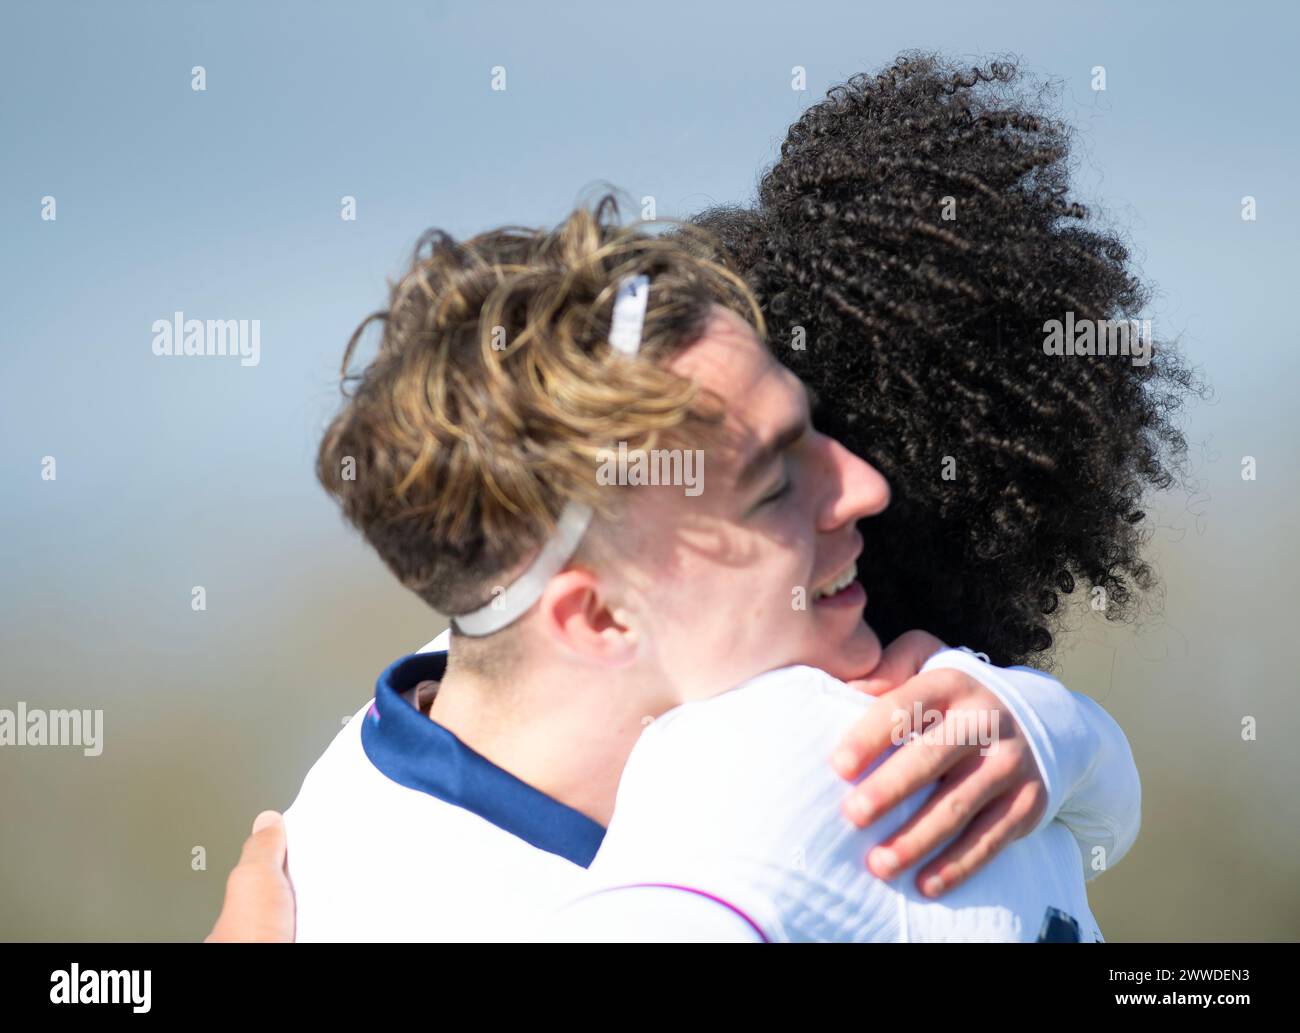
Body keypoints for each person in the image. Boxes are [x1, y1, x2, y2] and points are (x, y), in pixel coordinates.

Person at [212, 196, 1136, 942]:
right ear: (601, 618)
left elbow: (1098, 821)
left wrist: (1047, 729)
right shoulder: (389, 906)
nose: (863, 486)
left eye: (813, 427)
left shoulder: (497, 660)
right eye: (774, 486)